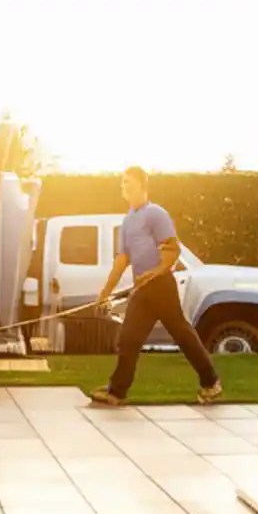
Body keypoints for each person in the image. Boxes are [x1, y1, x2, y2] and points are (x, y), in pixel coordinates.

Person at [91, 166, 223, 406]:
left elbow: (172, 249)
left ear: (142, 185)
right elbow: (123, 259)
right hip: (142, 289)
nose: (124, 186)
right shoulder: (128, 220)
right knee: (129, 338)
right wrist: (104, 293)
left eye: (128, 182)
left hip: (160, 285)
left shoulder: (155, 213)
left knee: (181, 333)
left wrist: (154, 272)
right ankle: (116, 393)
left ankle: (211, 383)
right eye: (122, 182)